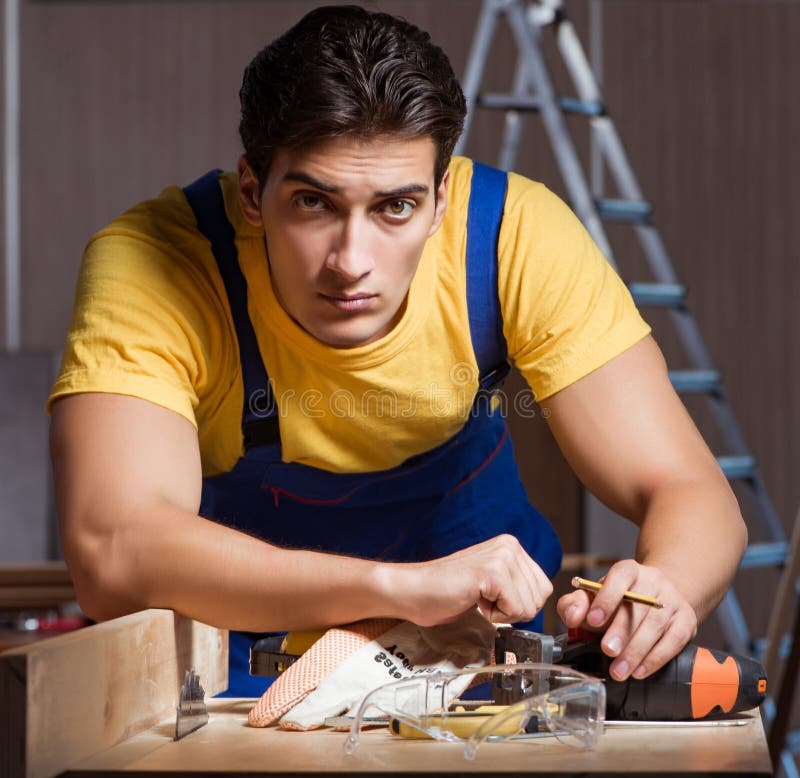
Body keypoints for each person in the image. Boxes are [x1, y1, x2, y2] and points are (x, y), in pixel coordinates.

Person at [48, 4, 747, 697]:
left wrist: (663, 589)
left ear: (441, 200)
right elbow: (114, 551)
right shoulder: (157, 261)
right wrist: (395, 591)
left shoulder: (513, 237)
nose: (352, 261)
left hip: (481, 679)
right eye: (315, 204)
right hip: (244, 687)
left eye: (396, 208)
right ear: (255, 194)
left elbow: (690, 490)